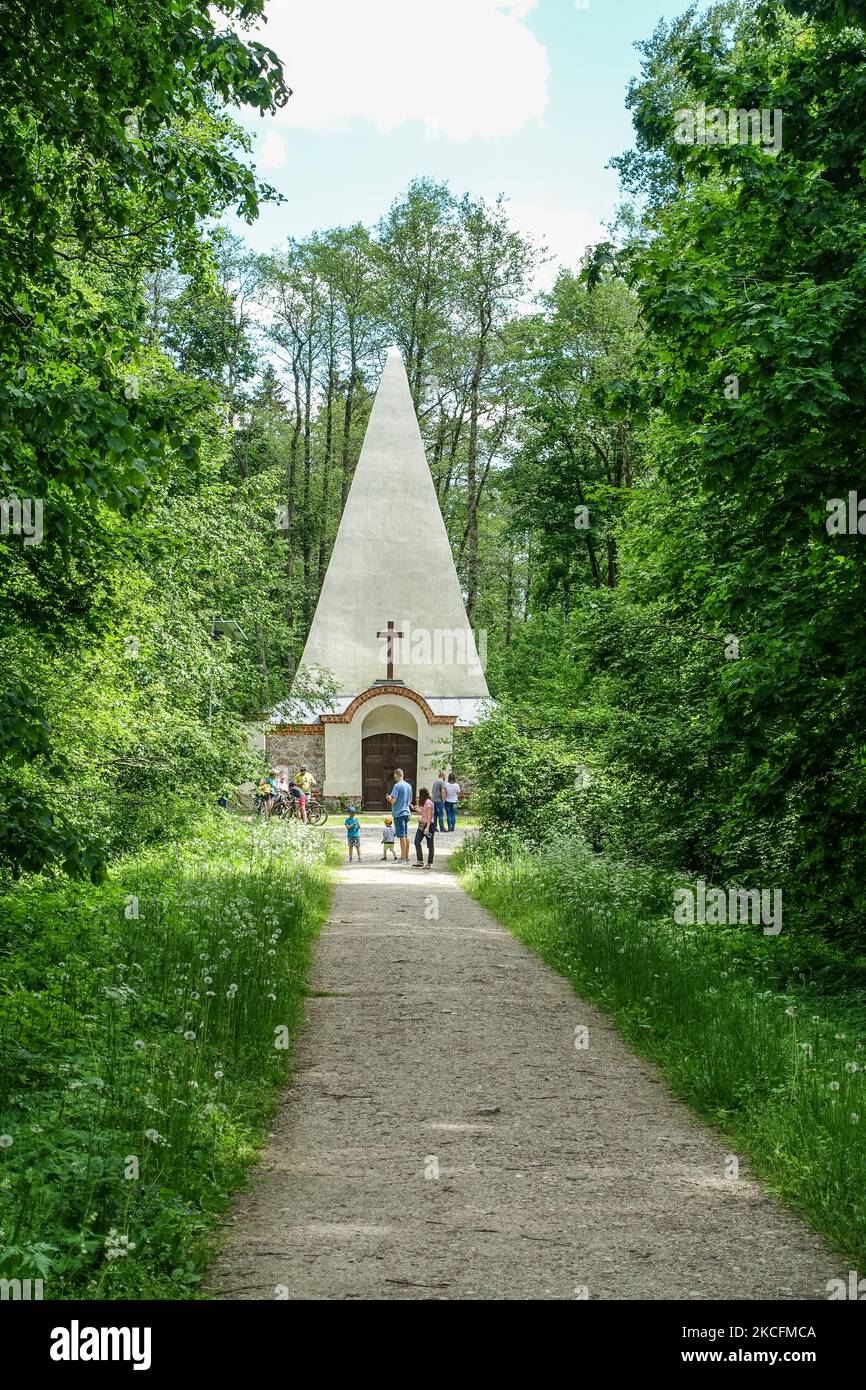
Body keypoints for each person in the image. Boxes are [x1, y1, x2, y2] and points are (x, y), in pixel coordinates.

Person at [386, 767, 413, 863]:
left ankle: (402, 858)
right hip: (407, 812)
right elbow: (410, 801)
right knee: (406, 835)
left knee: (401, 836)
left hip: (399, 813)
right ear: (403, 775)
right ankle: (406, 857)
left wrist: (389, 798)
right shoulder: (409, 786)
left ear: (396, 775)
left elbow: (393, 801)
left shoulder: (397, 786)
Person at [411, 787, 435, 868]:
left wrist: (427, 828)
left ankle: (429, 863)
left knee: (430, 844)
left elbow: (429, 816)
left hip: (429, 826)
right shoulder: (425, 803)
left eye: (419, 796)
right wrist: (418, 810)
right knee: (416, 841)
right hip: (422, 825)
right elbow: (424, 813)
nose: (418, 798)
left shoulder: (428, 802)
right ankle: (420, 861)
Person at [431, 769, 448, 833]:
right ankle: (442, 828)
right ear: (443, 776)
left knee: (435, 815)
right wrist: (443, 800)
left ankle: (434, 827)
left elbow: (433, 791)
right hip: (439, 800)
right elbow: (443, 791)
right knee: (441, 815)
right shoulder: (442, 782)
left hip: (434, 800)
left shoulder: (435, 782)